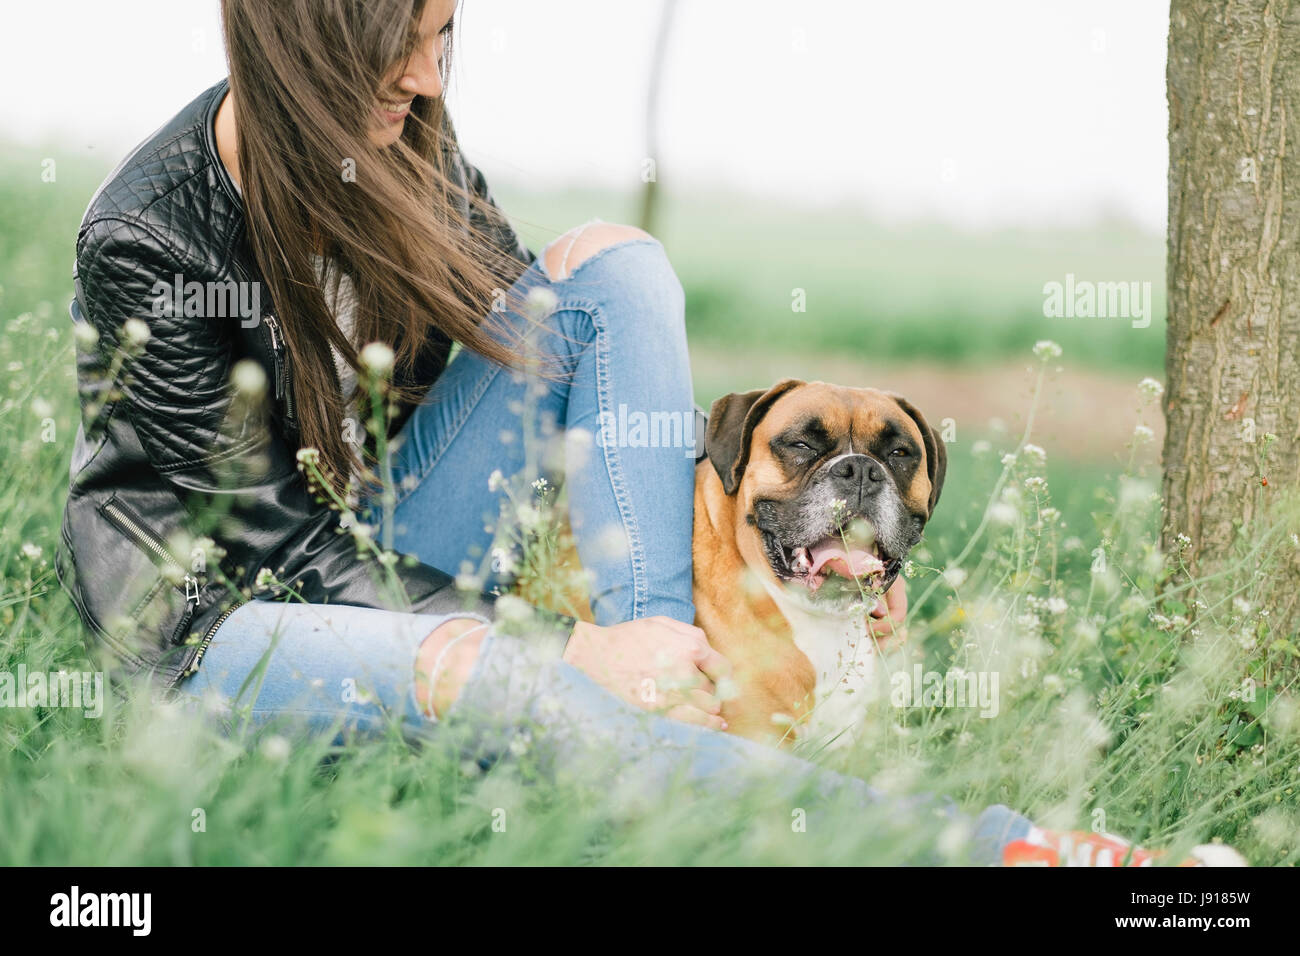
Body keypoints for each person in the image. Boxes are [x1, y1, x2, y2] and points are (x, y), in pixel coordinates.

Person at [56, 0, 1237, 867]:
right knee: (526, 689)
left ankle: (669, 669)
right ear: (297, 39)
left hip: (389, 526)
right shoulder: (149, 240)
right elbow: (276, 548)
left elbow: (548, 356)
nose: (424, 73)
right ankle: (998, 856)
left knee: (611, 266)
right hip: (231, 620)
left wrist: (829, 536)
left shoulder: (406, 141)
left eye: (442, 32)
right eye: (395, 40)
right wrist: (557, 653)